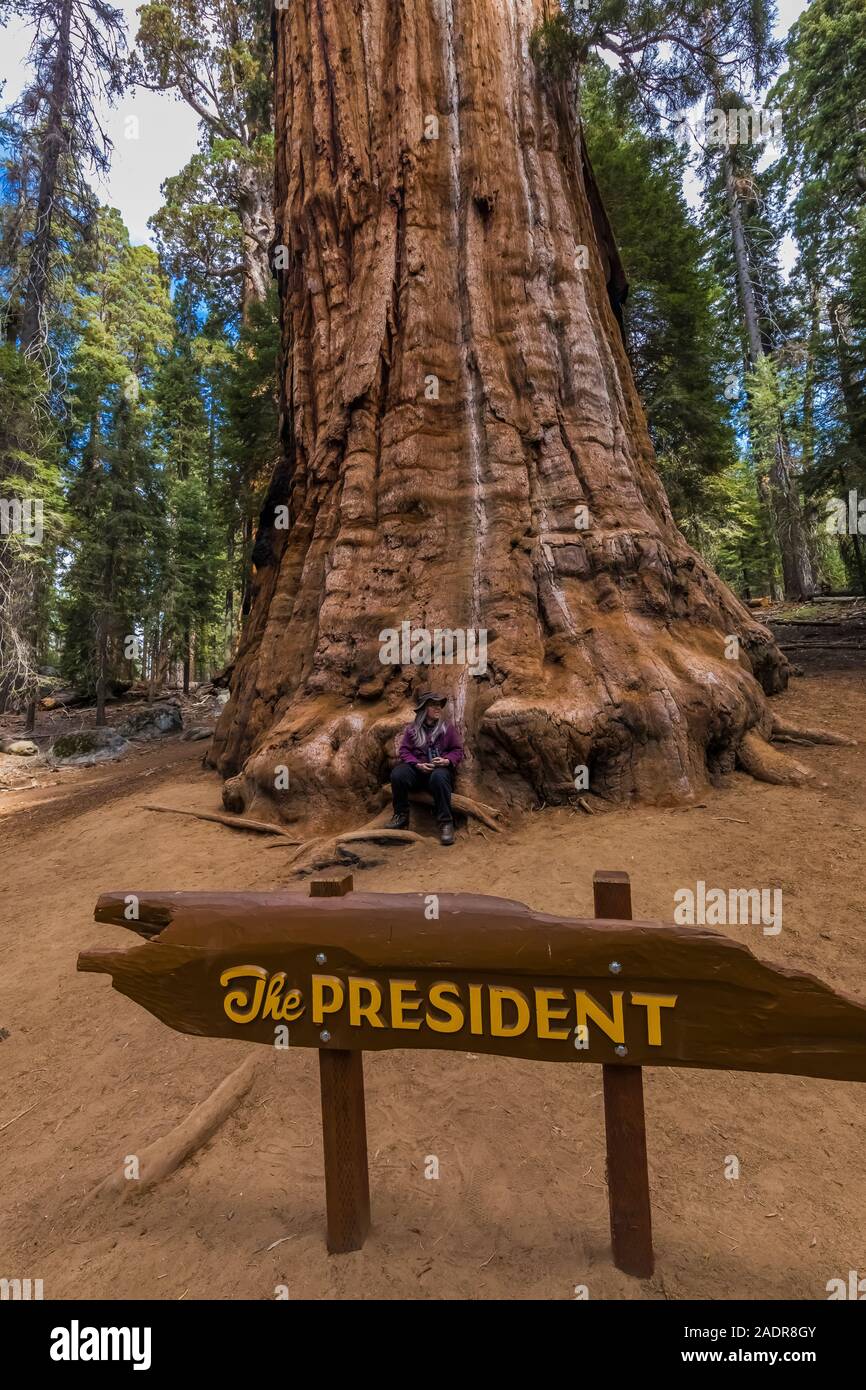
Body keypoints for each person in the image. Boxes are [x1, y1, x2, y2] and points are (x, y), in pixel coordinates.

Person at [387, 692, 464, 845]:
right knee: (397, 774)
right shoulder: (412, 730)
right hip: (418, 771)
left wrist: (446, 760)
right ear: (424, 709)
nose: (438, 708)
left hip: (439, 771)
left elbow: (457, 750)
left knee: (439, 777)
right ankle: (401, 815)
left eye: (439, 705)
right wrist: (417, 764)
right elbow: (404, 751)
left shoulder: (447, 729)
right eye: (433, 705)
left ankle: (446, 823)